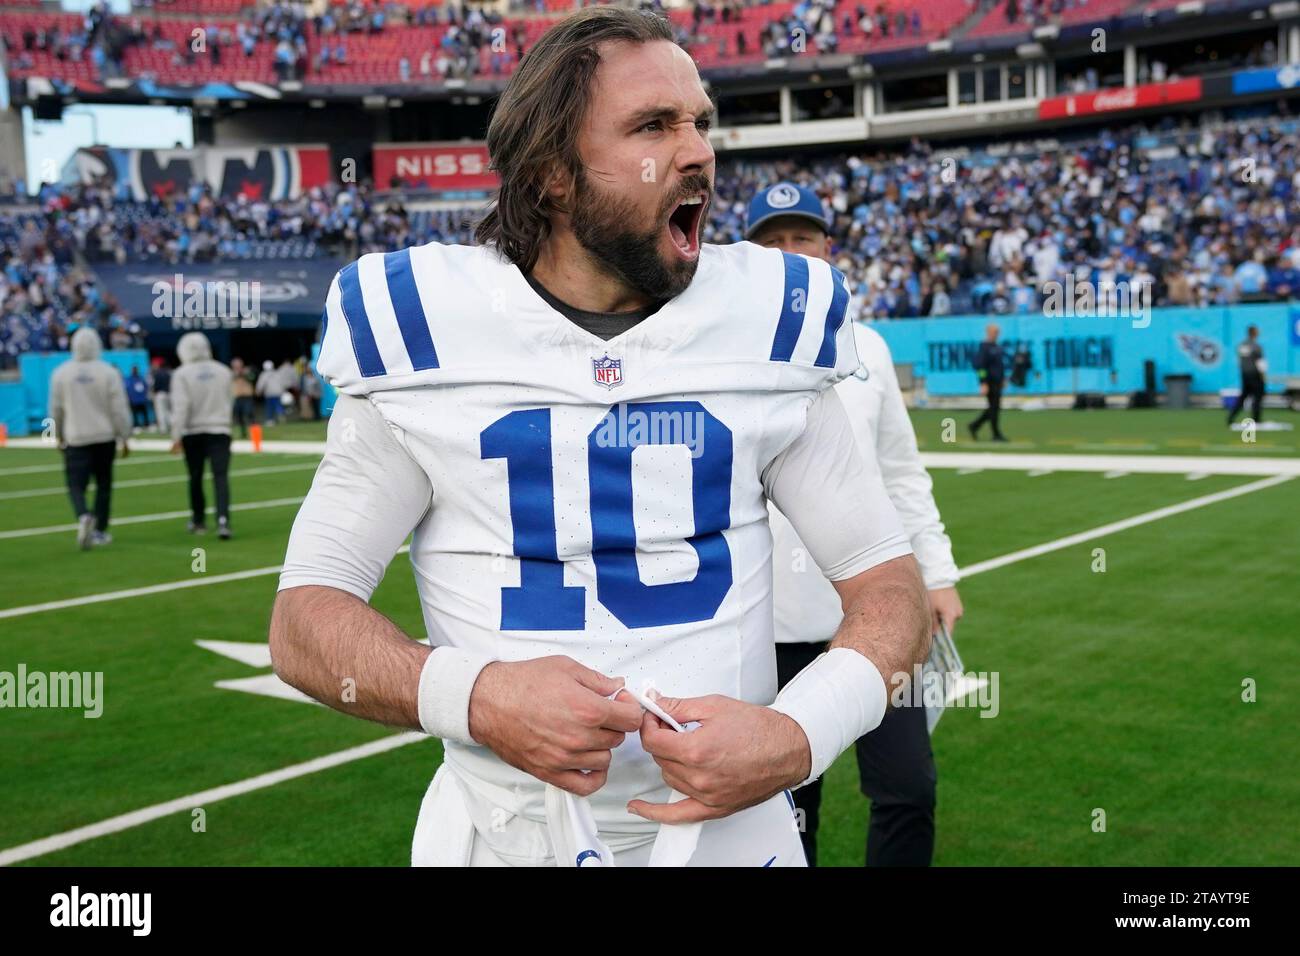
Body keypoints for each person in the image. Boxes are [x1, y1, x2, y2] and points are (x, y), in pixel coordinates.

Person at [270, 7, 929, 869]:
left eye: (701, 121)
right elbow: (304, 621)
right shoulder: (426, 329)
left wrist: (798, 734)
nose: (697, 151)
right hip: (503, 836)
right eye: (655, 125)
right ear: (550, 174)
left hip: (731, 840)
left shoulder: (768, 318)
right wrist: (478, 695)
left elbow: (891, 593)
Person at [746, 181, 963, 866]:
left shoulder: (863, 345)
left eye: (802, 236)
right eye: (773, 240)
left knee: (907, 788)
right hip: (765, 626)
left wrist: (941, 573)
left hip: (875, 615)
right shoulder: (724, 356)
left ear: (827, 248)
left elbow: (901, 473)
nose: (790, 250)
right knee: (785, 808)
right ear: (749, 255)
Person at [48, 327, 132, 549]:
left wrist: (58, 435)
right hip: (104, 436)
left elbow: (55, 410)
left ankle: (83, 514)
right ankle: (100, 530)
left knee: (75, 484)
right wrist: (124, 435)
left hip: (76, 437)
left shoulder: (61, 373)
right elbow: (119, 409)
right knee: (104, 485)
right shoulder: (108, 372)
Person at [170, 332, 235, 539]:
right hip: (220, 429)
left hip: (193, 432)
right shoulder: (223, 371)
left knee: (195, 477)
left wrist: (175, 435)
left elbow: (181, 406)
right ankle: (223, 520)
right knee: (220, 477)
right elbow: (229, 400)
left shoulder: (182, 374)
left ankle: (198, 521)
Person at [968, 323, 1008, 442]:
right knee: (993, 408)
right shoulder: (984, 347)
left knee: (994, 408)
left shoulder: (996, 346)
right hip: (989, 382)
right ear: (989, 332)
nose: (997, 334)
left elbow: (999, 366)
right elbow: (981, 367)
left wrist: (1002, 379)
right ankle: (994, 433)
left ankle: (975, 426)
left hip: (997, 382)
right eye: (995, 332)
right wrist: (983, 383)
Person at [1226, 324, 1265, 426]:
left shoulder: (1242, 345)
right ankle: (1256, 419)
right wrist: (1263, 375)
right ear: (1254, 333)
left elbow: (1240, 360)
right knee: (1258, 396)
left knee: (1243, 396)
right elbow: (1260, 362)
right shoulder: (1256, 346)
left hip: (1245, 374)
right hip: (1254, 374)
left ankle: (1231, 417)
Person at [230, 357, 256, 438]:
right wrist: (237, 374)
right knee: (239, 416)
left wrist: (245, 373)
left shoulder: (247, 371)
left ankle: (254, 433)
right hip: (237, 397)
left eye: (238, 364)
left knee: (249, 414)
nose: (237, 366)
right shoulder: (231, 373)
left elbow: (252, 378)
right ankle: (243, 433)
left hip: (247, 397)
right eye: (235, 364)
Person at [256, 359, 284, 425]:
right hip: (278, 392)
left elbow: (261, 383)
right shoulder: (277, 373)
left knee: (269, 407)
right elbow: (282, 382)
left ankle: (270, 420)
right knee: (278, 405)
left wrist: (258, 390)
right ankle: (280, 414)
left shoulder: (264, 374)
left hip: (269, 393)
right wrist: (282, 390)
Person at [151, 357, 172, 435]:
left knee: (161, 412)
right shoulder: (168, 373)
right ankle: (171, 426)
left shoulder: (157, 374)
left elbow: (155, 386)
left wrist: (154, 393)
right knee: (168, 412)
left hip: (160, 394)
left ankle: (163, 429)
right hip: (169, 394)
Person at [125, 365, 150, 430]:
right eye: (134, 370)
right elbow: (127, 389)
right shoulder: (130, 379)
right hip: (134, 399)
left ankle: (146, 424)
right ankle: (136, 425)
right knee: (135, 414)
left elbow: (146, 387)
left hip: (141, 399)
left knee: (144, 413)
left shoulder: (141, 378)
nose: (135, 371)